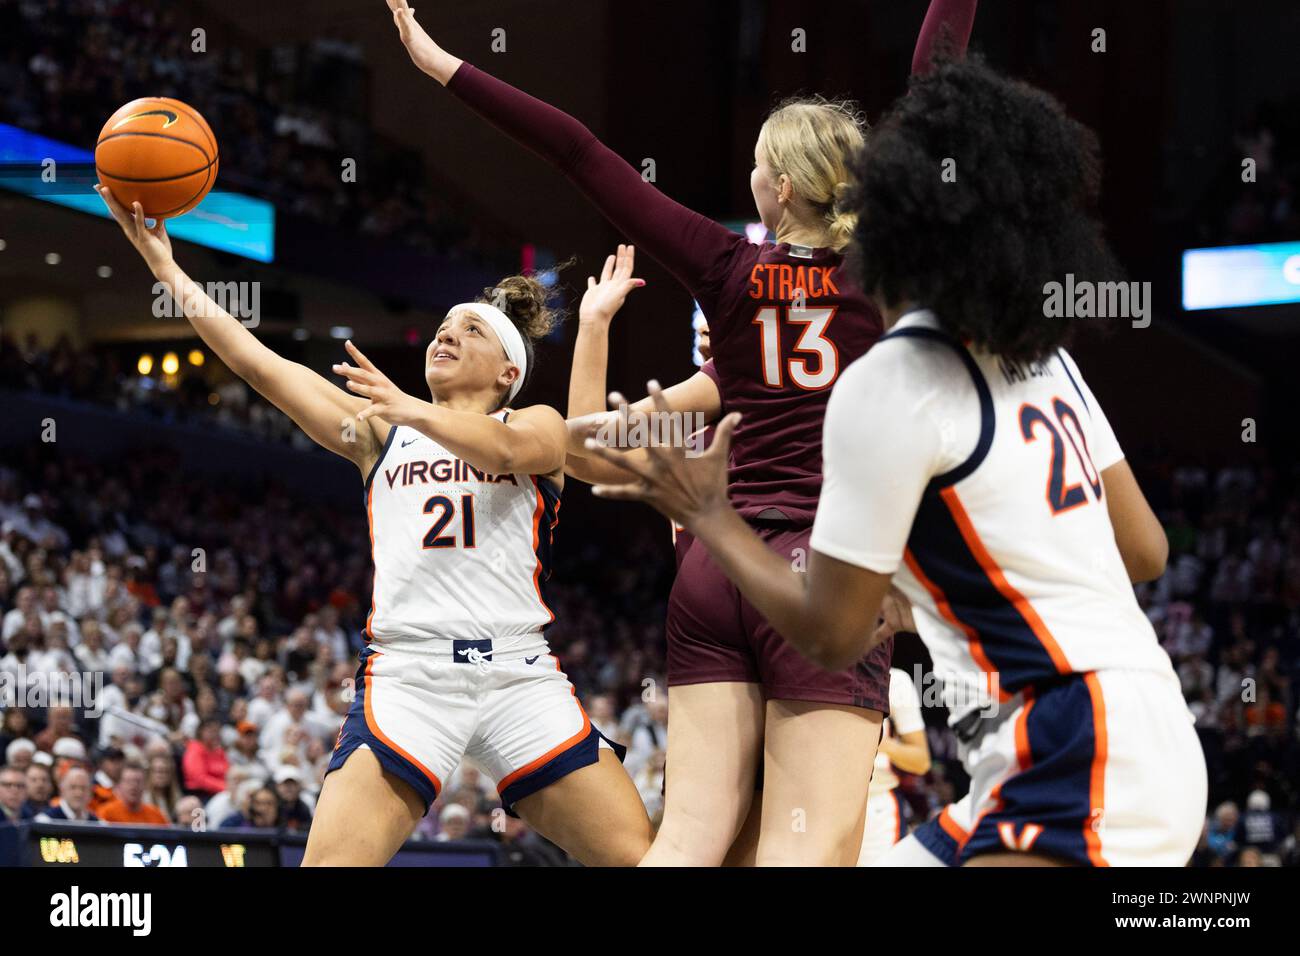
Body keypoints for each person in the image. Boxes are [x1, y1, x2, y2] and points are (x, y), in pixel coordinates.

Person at [385, 0, 979, 866]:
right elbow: (935, 80)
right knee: (801, 851)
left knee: (689, 841)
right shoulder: (882, 266)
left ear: (777, 186)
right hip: (825, 573)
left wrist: (445, 68)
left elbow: (578, 152)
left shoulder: (725, 266)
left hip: (714, 567)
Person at [585, 57, 1208, 866]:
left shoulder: (894, 380)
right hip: (1128, 721)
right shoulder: (1046, 358)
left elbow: (830, 630)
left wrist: (709, 514)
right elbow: (1147, 552)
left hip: (1070, 747)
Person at [94, 185, 651, 867]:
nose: (446, 333)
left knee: (643, 860)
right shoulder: (382, 429)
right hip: (409, 674)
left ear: (510, 370)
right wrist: (166, 268)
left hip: (519, 675)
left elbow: (507, 453)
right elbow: (256, 363)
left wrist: (412, 407)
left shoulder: (528, 423)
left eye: (469, 329)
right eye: (444, 325)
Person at [857, 667, 930, 865]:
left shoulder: (895, 680)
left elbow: (921, 761)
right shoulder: (811, 671)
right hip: (821, 801)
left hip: (876, 805)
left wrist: (877, 739)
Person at [96, 762, 169, 826]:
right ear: (119, 785)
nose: (133, 786)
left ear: (145, 785)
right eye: (128, 782)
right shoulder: (106, 813)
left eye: (138, 781)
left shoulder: (156, 816)